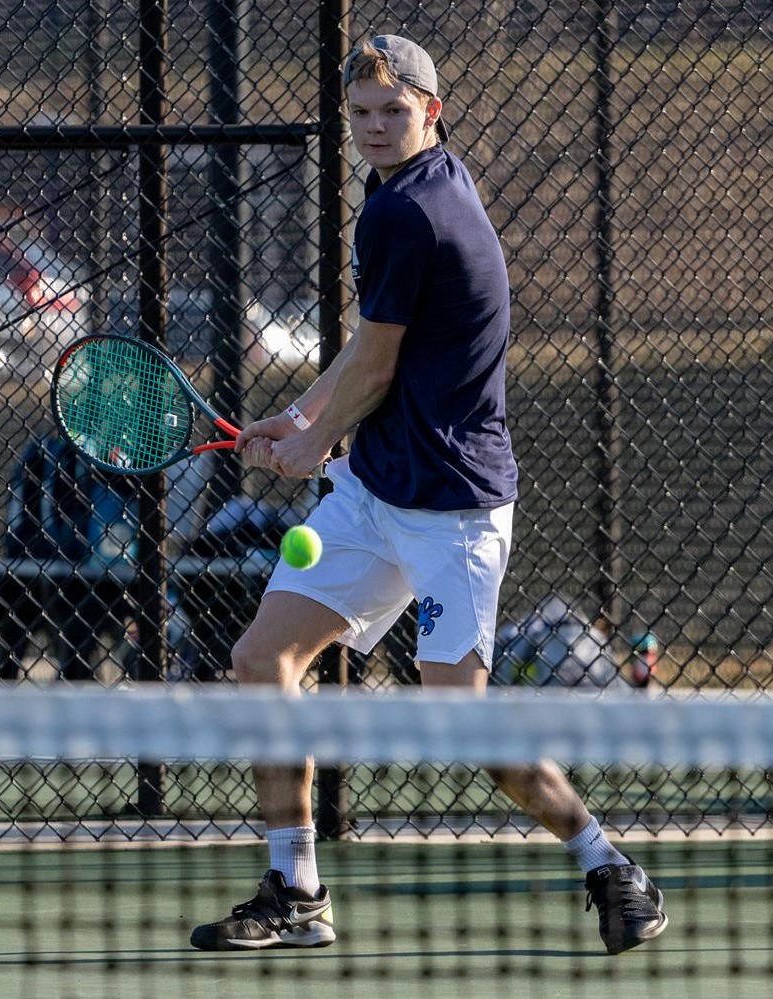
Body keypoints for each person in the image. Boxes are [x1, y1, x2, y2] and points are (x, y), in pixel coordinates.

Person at [188, 34, 667, 956]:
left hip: (452, 506)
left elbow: (376, 363)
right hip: (377, 490)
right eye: (360, 113)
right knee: (263, 658)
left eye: (392, 111)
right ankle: (296, 889)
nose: (373, 127)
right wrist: (299, 417)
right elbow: (368, 350)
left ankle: (610, 866)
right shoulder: (414, 187)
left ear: (430, 112)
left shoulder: (409, 214)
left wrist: (313, 441)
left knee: (462, 716)